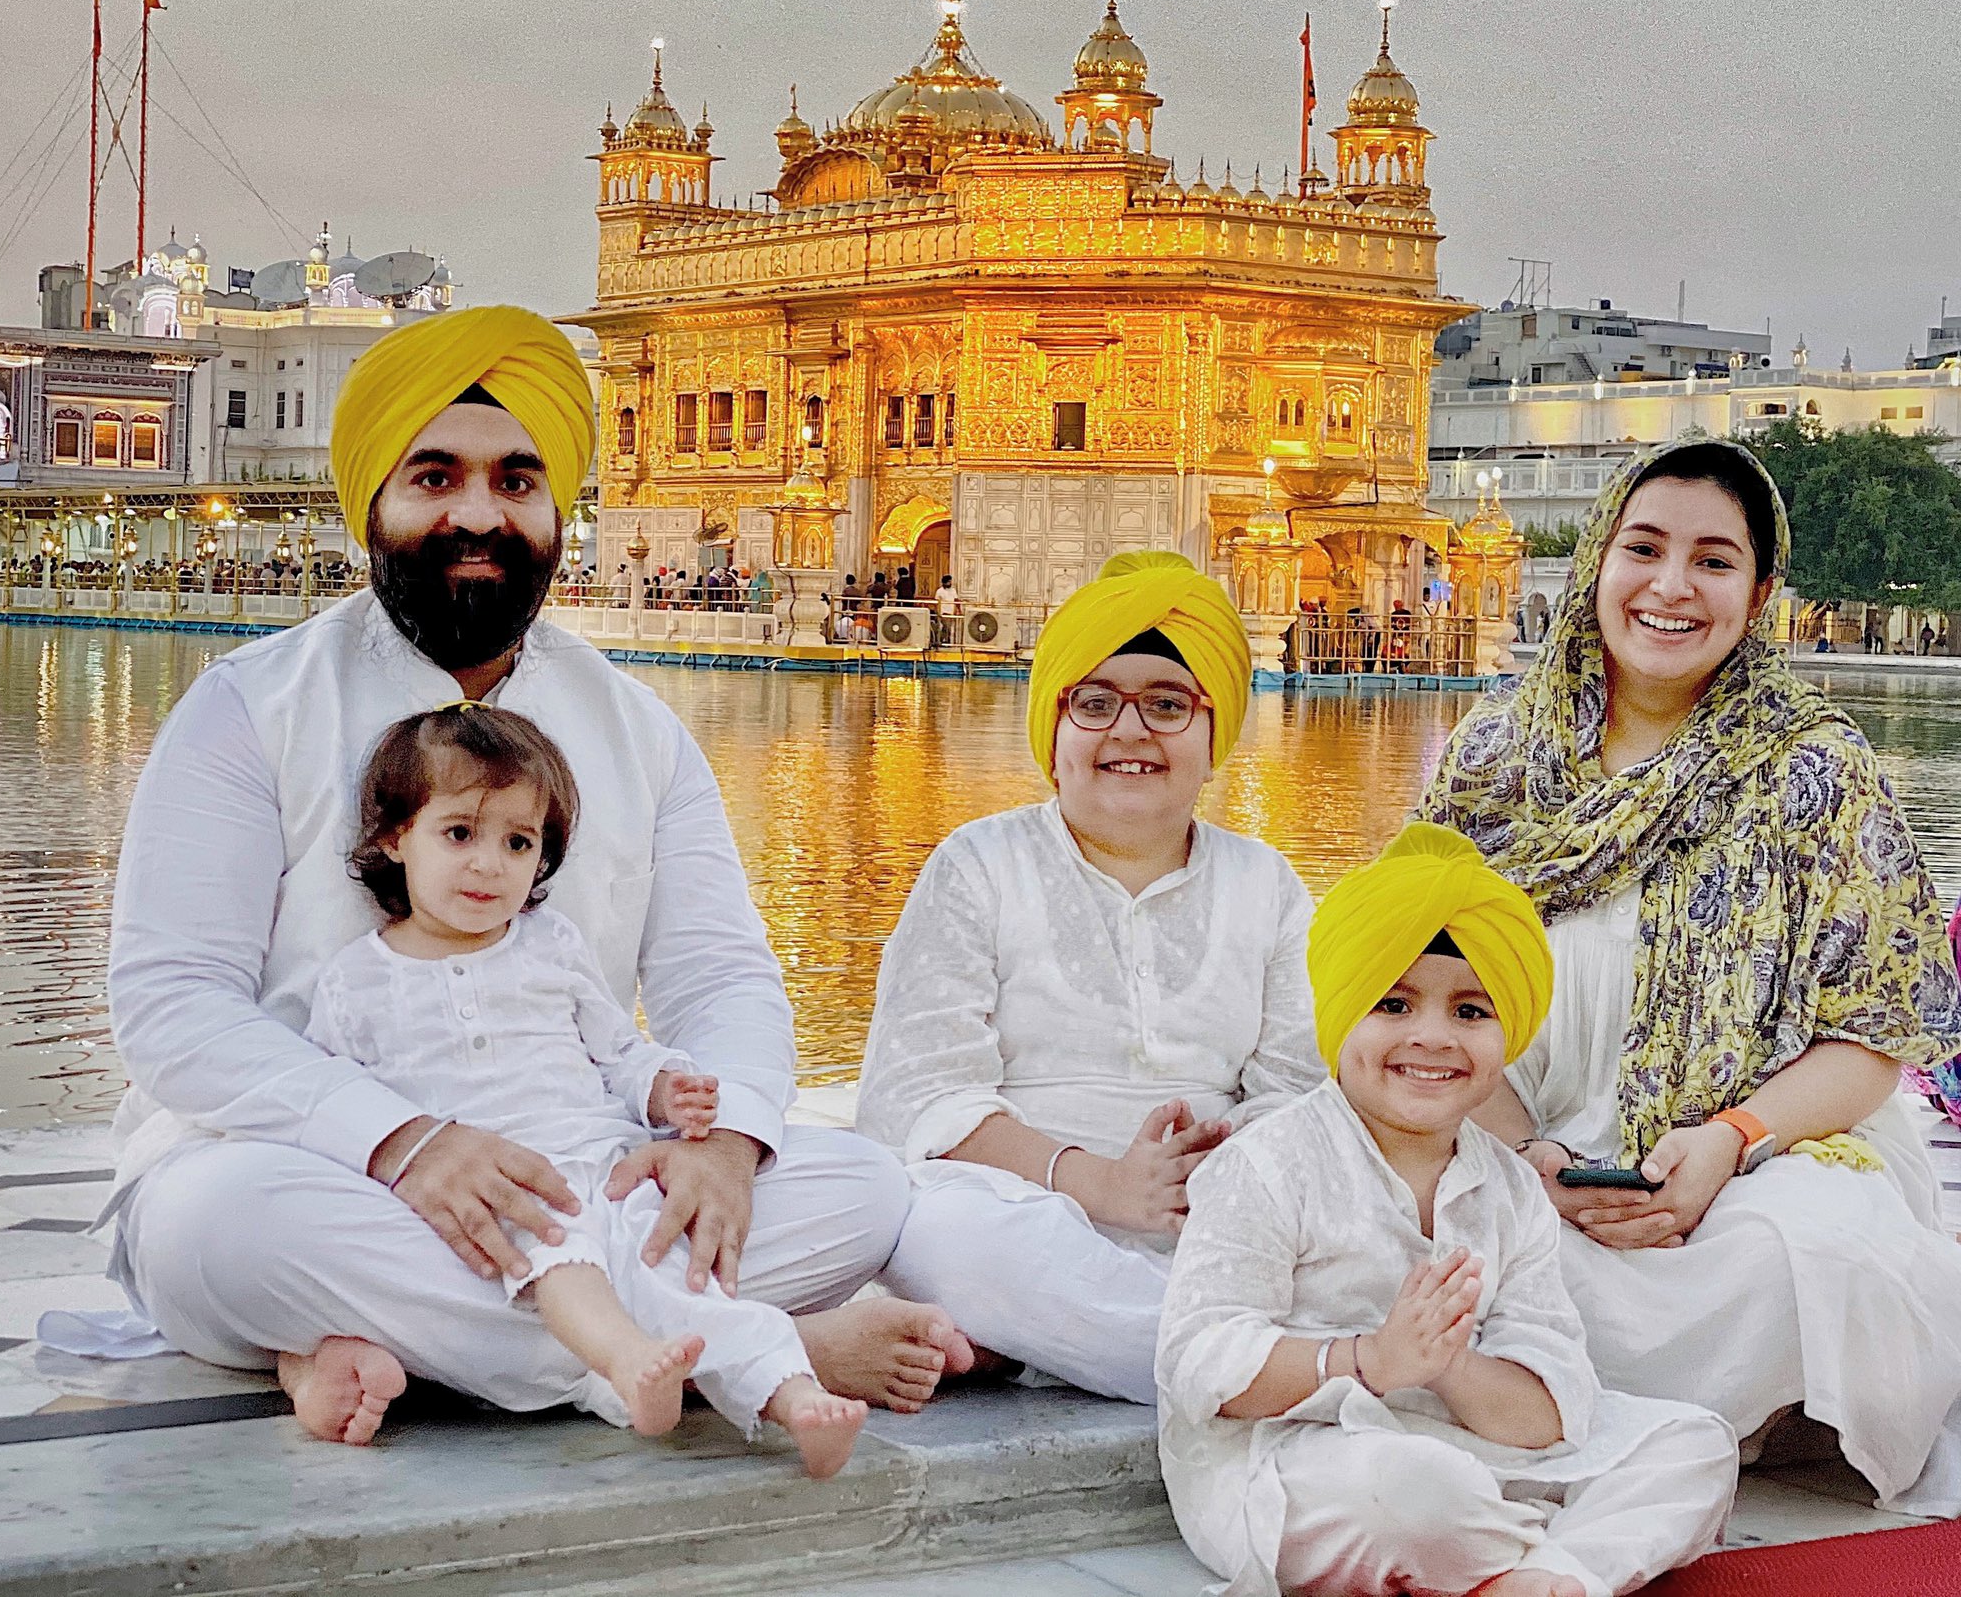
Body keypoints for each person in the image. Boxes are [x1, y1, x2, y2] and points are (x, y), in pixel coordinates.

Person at [90, 306, 964, 1439]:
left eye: (515, 480)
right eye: (435, 478)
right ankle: (743, 1351)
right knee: (213, 1227)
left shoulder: (636, 730)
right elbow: (173, 1010)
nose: (476, 515)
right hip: (322, 1168)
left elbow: (719, 979)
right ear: (374, 502)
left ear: (557, 513)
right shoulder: (249, 710)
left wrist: (727, 1144)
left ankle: (394, 1350)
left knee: (864, 1191)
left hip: (575, 1174)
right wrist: (402, 1143)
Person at [1419, 438, 1961, 1514]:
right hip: (1517, 1138)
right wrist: (1525, 1154)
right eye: (1644, 549)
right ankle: (1723, 1410)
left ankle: (1647, 1403)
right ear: (1596, 561)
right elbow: (1417, 994)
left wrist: (1725, 1143)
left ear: (1757, 596)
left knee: (1820, 1257)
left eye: (1712, 562)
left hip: (1762, 1153)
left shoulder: (1813, 768)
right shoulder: (1497, 758)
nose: (1670, 587)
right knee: (1418, 1239)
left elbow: (1876, 1035)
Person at [1157, 824, 1736, 1597]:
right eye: (1394, 1004)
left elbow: (1550, 1408)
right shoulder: (1264, 1164)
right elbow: (1199, 1365)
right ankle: (1547, 1566)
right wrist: (1370, 1361)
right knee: (1407, 1490)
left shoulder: (1511, 1188)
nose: (1432, 1037)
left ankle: (1536, 1577)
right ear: (1340, 1014)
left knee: (1693, 1443)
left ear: (1508, 1031)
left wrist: (1450, 1365)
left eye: (1470, 1012)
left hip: (1473, 1446)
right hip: (1301, 1459)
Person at [296, 704, 866, 1474]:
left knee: (685, 1275)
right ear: (396, 837)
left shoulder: (551, 947)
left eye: (518, 842)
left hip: (604, 1161)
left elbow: (618, 1052)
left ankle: (795, 1397)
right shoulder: (355, 982)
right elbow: (337, 1106)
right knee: (560, 1256)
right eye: (460, 834)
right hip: (499, 1190)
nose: (490, 864)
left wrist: (664, 1092)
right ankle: (628, 1363)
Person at [857, 551, 1320, 1403]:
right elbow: (920, 1097)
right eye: (1096, 703)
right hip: (1020, 1208)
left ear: (1213, 737)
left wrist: (1200, 1179)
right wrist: (1102, 1185)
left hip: (1214, 1212)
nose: (1130, 732)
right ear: (1054, 733)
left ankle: (1051, 1347)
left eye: (1168, 705)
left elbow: (1299, 1089)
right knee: (943, 1231)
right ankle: (1287, 1373)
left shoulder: (1268, 886)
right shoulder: (979, 865)